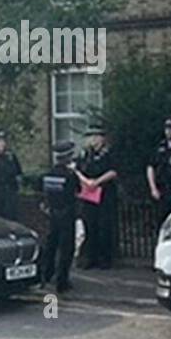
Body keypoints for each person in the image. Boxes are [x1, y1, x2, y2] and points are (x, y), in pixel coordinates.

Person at [38, 140, 79, 293]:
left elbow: (44, 194)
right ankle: (62, 281)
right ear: (68, 157)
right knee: (66, 248)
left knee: (51, 245)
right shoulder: (70, 175)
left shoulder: (48, 174)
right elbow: (78, 190)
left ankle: (47, 275)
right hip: (67, 213)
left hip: (52, 213)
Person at [75, 125, 118, 270]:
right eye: (90, 136)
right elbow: (77, 170)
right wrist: (86, 181)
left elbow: (113, 171)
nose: (92, 140)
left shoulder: (109, 153)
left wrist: (97, 182)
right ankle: (90, 258)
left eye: (95, 136)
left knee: (104, 226)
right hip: (88, 193)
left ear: (102, 138)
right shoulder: (85, 154)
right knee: (89, 225)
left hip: (105, 193)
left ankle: (105, 259)